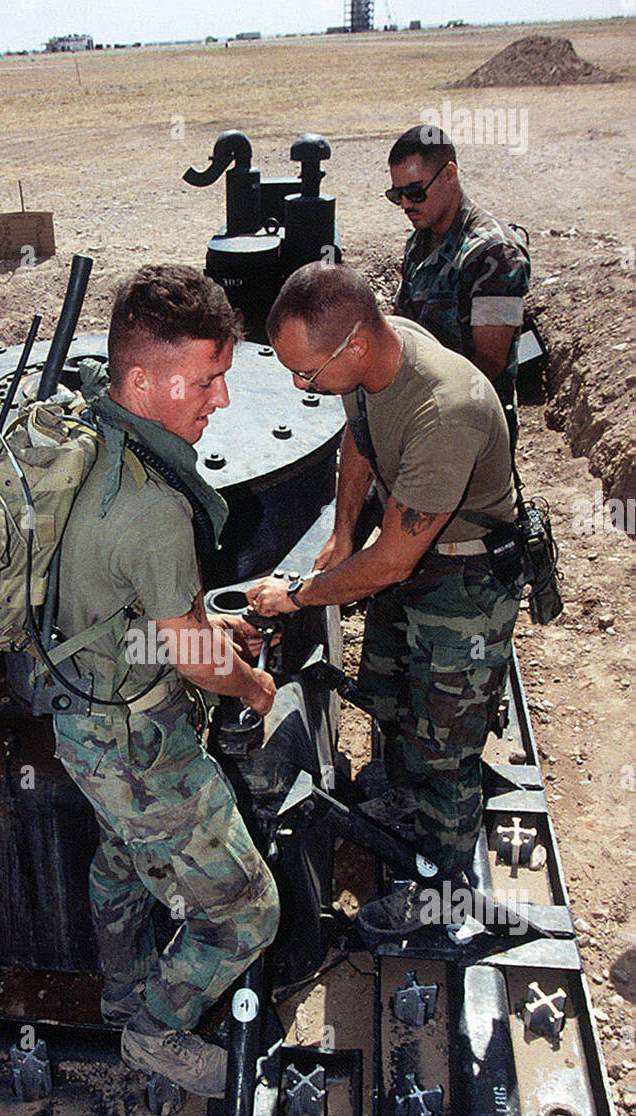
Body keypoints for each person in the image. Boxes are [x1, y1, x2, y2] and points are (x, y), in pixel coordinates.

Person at [52, 265, 280, 1097]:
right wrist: (253, 688)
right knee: (246, 910)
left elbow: (132, 608)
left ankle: (121, 992)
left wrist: (199, 623)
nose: (222, 399)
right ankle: (153, 1032)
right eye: (205, 379)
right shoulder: (151, 505)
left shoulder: (88, 431)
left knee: (121, 858)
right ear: (142, 380)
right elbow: (190, 661)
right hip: (138, 744)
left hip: (85, 720)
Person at [246, 263, 522, 939]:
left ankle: (443, 893)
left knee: (445, 749)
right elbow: (360, 439)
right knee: (390, 696)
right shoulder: (373, 362)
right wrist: (343, 530)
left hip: (465, 582)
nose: (300, 386)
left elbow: (394, 559)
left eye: (306, 373)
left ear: (356, 345)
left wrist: (296, 595)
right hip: (416, 560)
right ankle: (406, 799)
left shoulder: (446, 409)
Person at [387, 125, 531, 452]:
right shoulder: (419, 242)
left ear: (449, 174)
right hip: (419, 413)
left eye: (415, 191)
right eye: (397, 195)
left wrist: (422, 410)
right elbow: (403, 328)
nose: (406, 204)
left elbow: (489, 363)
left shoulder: (495, 252)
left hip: (472, 426)